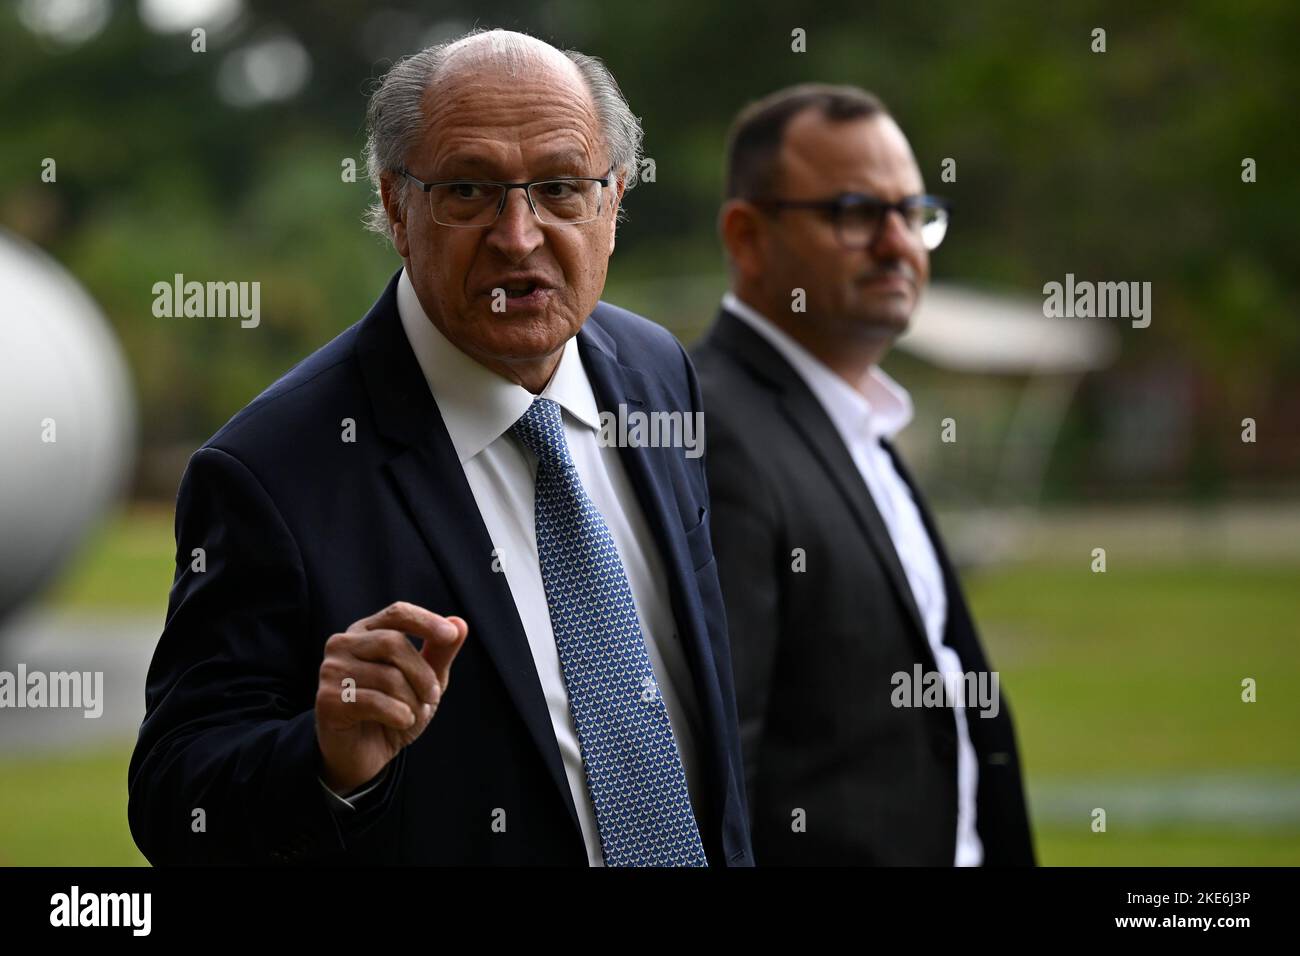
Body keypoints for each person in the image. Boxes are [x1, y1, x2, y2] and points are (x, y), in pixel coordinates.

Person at [128, 28, 753, 867]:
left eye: (562, 187)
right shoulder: (270, 474)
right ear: (394, 205)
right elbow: (176, 795)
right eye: (468, 190)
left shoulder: (656, 373)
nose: (519, 236)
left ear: (615, 199)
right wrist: (324, 760)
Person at [692, 84, 1034, 865]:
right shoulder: (711, 430)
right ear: (747, 237)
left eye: (913, 213)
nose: (897, 243)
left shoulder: (863, 424)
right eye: (854, 212)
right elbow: (718, 766)